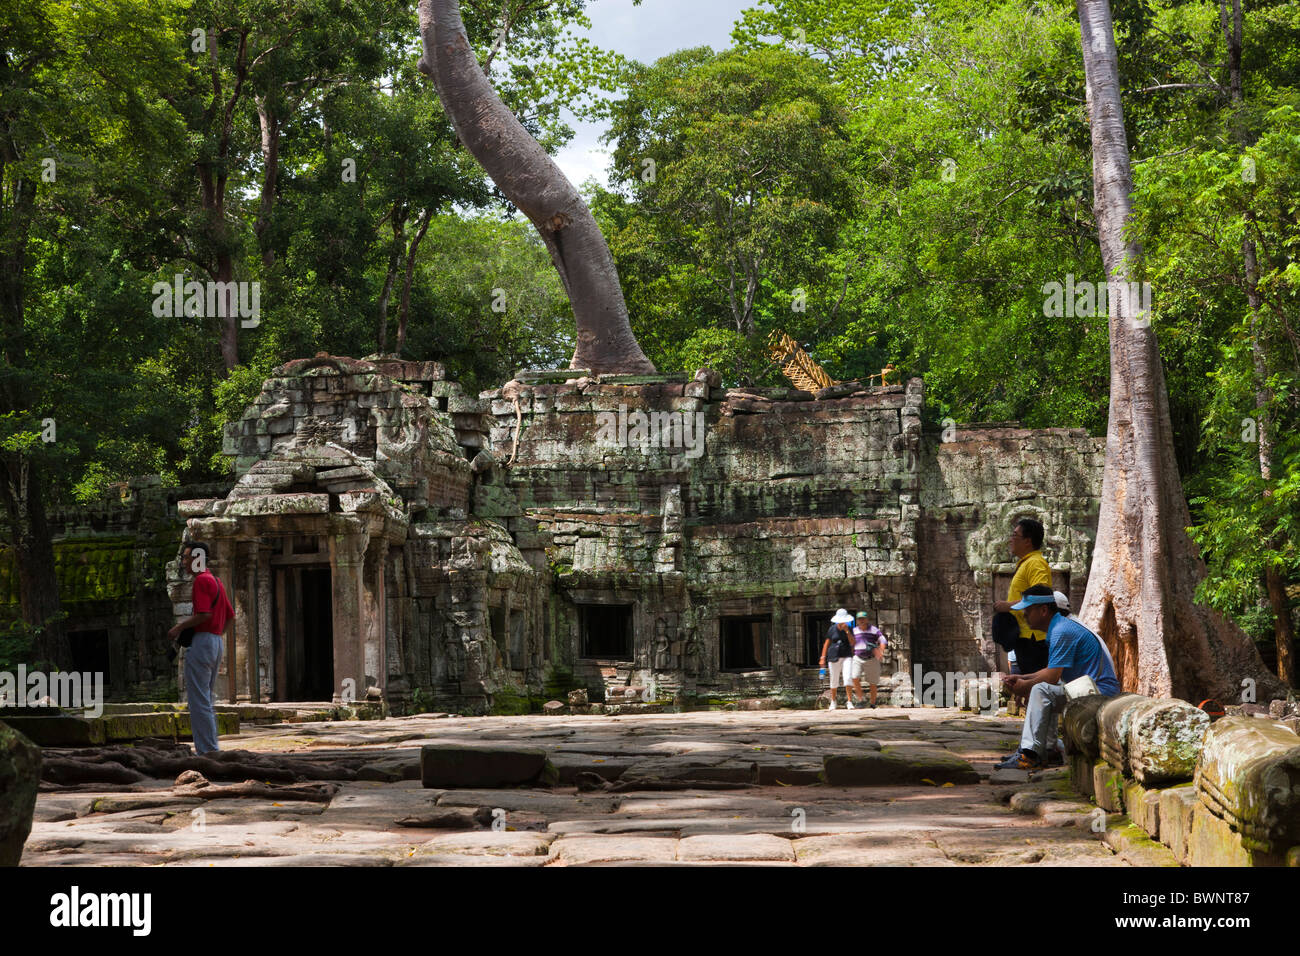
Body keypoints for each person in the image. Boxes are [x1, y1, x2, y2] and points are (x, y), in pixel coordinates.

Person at [997, 585, 1120, 771]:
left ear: (1043, 610)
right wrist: (1022, 677)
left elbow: (1052, 677)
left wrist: (1026, 685)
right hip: (1086, 688)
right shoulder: (1060, 627)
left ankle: (1030, 754)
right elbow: (1051, 671)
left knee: (1041, 689)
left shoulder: (1062, 630)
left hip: (1099, 692)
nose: (1024, 615)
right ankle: (1049, 749)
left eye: (1027, 611)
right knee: (1043, 689)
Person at [168, 541, 234, 755]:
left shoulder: (201, 581)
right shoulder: (216, 581)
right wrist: (215, 634)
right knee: (206, 698)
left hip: (204, 642)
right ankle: (210, 747)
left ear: (197, 558)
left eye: (186, 557)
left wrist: (179, 627)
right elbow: (231, 616)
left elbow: (204, 614)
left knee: (198, 701)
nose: (184, 562)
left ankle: (207, 750)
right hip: (215, 641)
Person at [993, 518, 1052, 682]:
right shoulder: (1027, 563)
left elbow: (1040, 596)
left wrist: (1008, 606)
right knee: (1030, 682)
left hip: (1033, 637)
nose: (1010, 540)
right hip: (1025, 635)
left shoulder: (1035, 564)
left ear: (1027, 541)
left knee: (1036, 683)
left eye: (1015, 535)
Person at [819, 609, 856, 710]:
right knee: (834, 679)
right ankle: (833, 700)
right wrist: (822, 657)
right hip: (833, 656)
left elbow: (853, 643)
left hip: (847, 655)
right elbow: (826, 644)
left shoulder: (849, 628)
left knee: (848, 677)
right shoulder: (832, 629)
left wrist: (847, 631)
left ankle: (849, 701)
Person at [850, 611, 887, 708]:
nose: (861, 620)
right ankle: (861, 699)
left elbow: (883, 640)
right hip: (857, 657)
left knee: (873, 682)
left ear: (867, 619)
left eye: (863, 618)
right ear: (857, 621)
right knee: (854, 677)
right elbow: (851, 643)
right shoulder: (854, 631)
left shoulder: (874, 630)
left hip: (871, 659)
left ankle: (872, 703)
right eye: (859, 619)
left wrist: (881, 651)